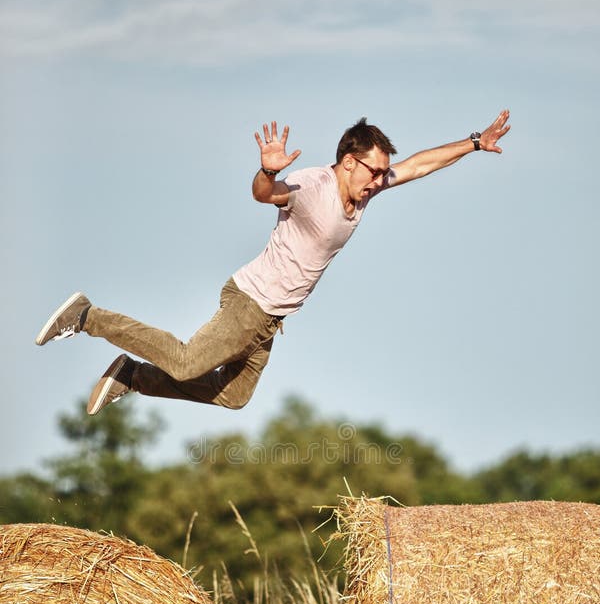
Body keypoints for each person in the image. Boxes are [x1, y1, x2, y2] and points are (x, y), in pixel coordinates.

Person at [36, 111, 510, 415]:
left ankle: (132, 375)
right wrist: (267, 170)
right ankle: (87, 316)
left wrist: (473, 142)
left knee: (234, 396)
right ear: (348, 161)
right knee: (186, 362)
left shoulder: (364, 191)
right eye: (374, 171)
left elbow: (420, 165)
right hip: (250, 302)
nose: (379, 181)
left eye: (383, 173)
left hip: (269, 319)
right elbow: (264, 194)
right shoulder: (313, 187)